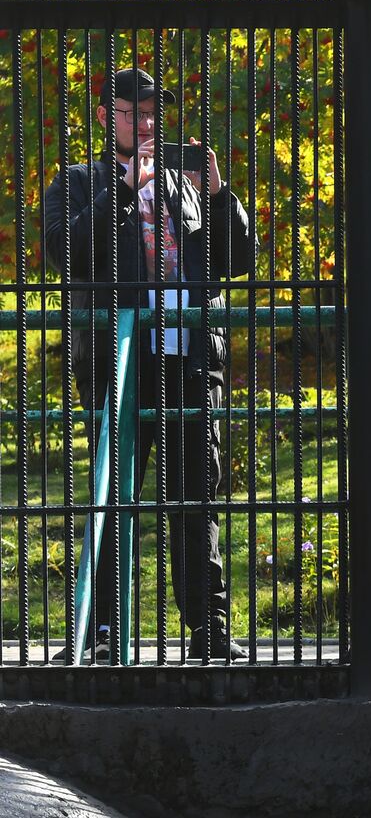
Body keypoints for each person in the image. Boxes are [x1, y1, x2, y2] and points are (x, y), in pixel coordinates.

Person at [44, 68, 256, 661]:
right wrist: (124, 189)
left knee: (196, 497)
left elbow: (236, 259)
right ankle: (105, 635)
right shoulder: (80, 182)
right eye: (130, 111)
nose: (144, 121)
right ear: (105, 116)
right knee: (115, 496)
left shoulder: (185, 186)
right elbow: (67, 252)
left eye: (150, 112)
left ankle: (207, 631)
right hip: (120, 362)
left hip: (188, 359)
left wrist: (217, 195)